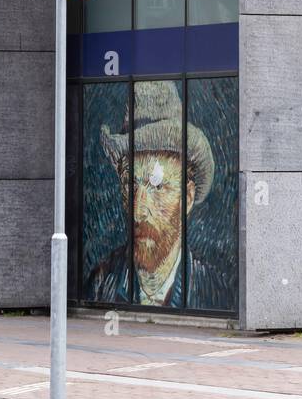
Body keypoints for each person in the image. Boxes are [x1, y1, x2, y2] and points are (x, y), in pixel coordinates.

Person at [86, 80, 215, 307]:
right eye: (129, 184)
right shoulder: (100, 284)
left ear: (188, 198)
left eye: (157, 187)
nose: (137, 212)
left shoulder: (213, 291)